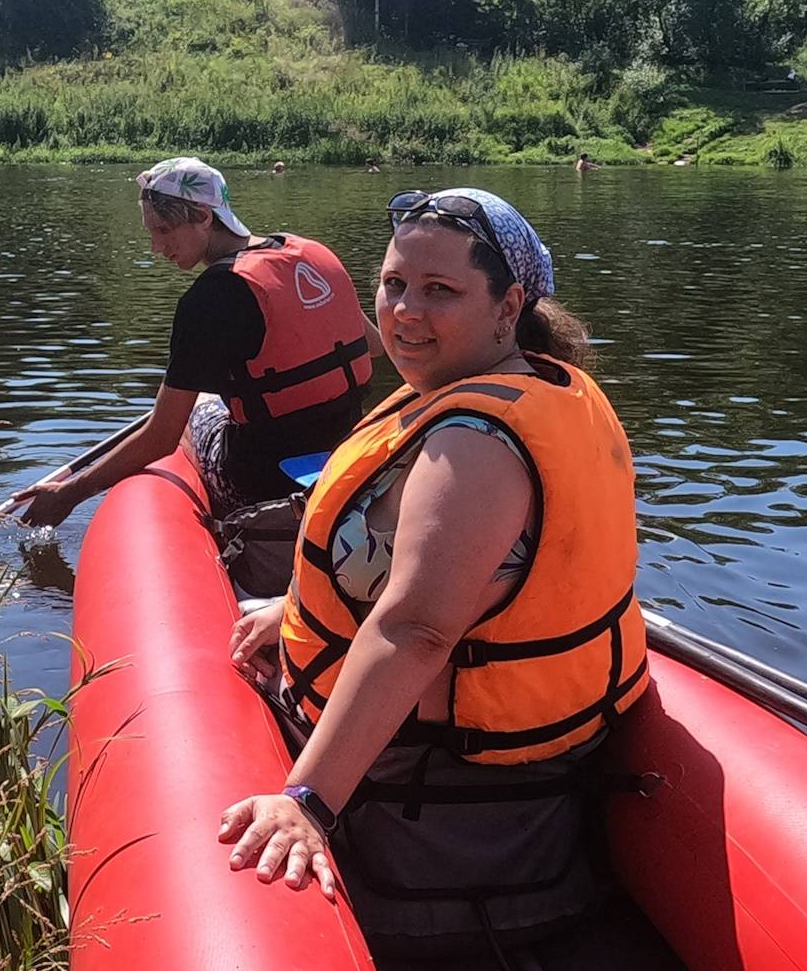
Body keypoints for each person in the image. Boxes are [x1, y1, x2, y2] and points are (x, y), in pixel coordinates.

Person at [219, 188, 676, 969]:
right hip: (492, 788)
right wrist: (298, 607)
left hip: (434, 809)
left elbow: (418, 628)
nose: (404, 311)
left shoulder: (474, 444)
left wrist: (306, 802)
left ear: (508, 305)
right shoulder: (522, 387)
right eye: (394, 284)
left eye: (441, 291)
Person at [9, 157, 379, 544]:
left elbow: (161, 438)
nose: (156, 247)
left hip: (262, 481)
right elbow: (373, 348)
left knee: (198, 403)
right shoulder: (310, 253)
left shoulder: (212, 297)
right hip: (344, 455)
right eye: (151, 233)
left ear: (203, 215)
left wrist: (70, 493)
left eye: (164, 230)